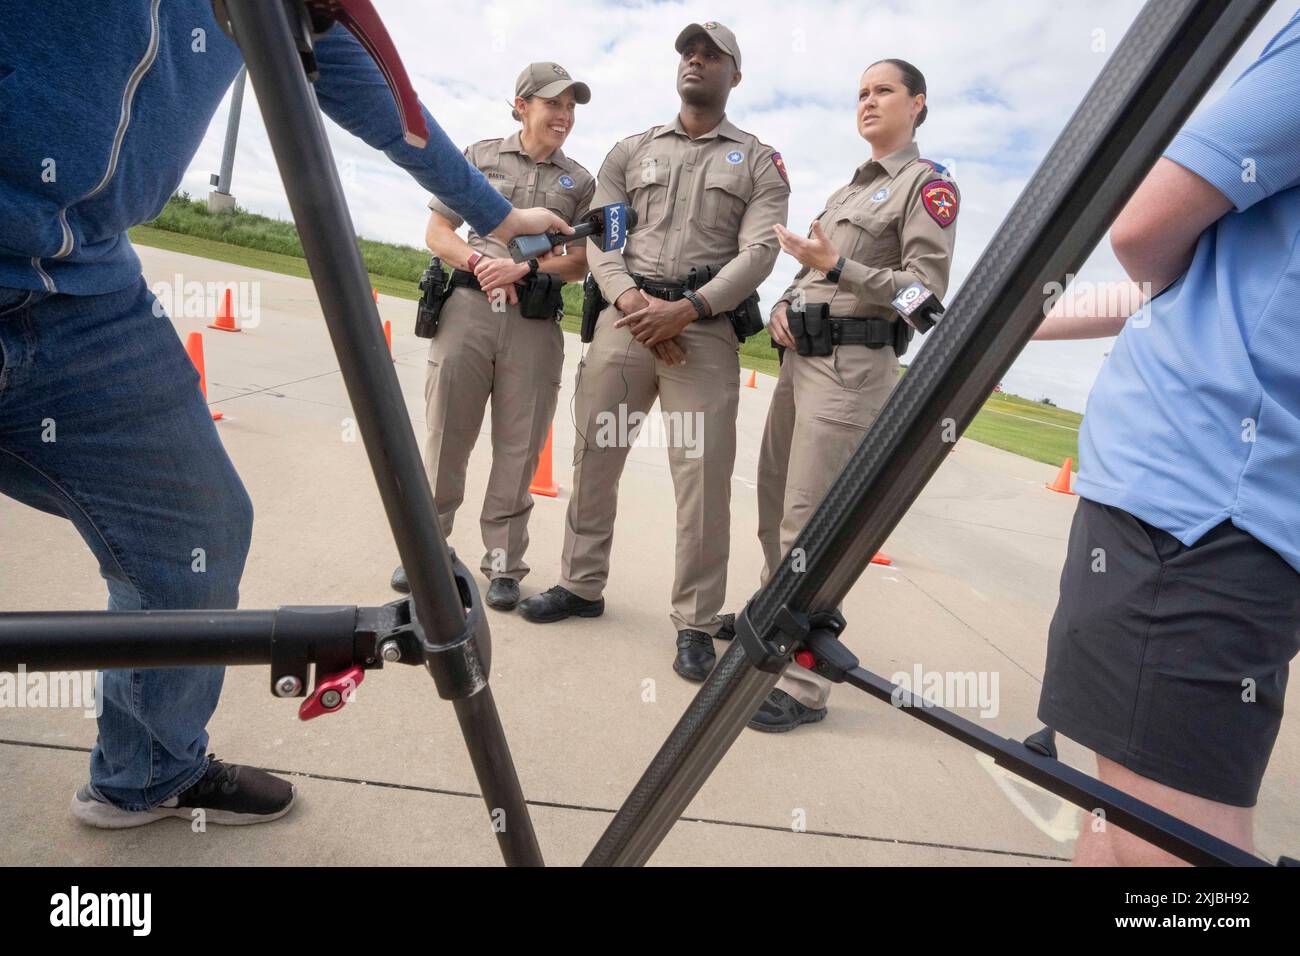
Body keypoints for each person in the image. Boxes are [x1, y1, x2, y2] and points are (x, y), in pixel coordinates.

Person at [0, 2, 570, 829]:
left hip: (84, 291)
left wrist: (500, 216)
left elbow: (368, 79)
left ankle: (148, 772)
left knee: (192, 533)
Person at [1032, 11, 1300, 865]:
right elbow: (1175, 285)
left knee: (1166, 855)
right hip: (1232, 507)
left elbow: (1144, 228)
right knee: (1115, 818)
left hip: (1195, 506)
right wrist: (1006, 324)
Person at [516, 22, 790, 684]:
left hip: (703, 336)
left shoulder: (758, 161)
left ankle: (696, 620)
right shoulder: (631, 151)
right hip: (626, 324)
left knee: (701, 479)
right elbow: (602, 238)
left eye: (712, 55)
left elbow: (760, 252)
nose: (696, 60)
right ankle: (580, 584)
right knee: (596, 456)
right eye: (689, 53)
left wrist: (689, 308)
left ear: (735, 75)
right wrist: (632, 300)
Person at [739, 58, 959, 732]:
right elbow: (809, 275)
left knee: (812, 525)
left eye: (883, 90)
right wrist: (784, 303)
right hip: (800, 363)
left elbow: (925, 300)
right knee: (774, 508)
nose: (868, 101)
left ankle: (804, 683)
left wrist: (839, 265)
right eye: (861, 92)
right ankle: (770, 634)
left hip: (851, 371)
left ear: (917, 104)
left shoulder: (927, 186)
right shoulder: (843, 193)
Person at [389, 63, 596, 611]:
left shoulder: (580, 182)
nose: (564, 116)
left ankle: (503, 565)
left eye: (571, 107)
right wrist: (482, 264)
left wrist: (523, 269)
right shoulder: (479, 157)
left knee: (519, 448)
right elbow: (438, 233)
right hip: (468, 310)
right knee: (445, 437)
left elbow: (580, 262)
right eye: (553, 104)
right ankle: (427, 554)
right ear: (522, 105)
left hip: (533, 320)